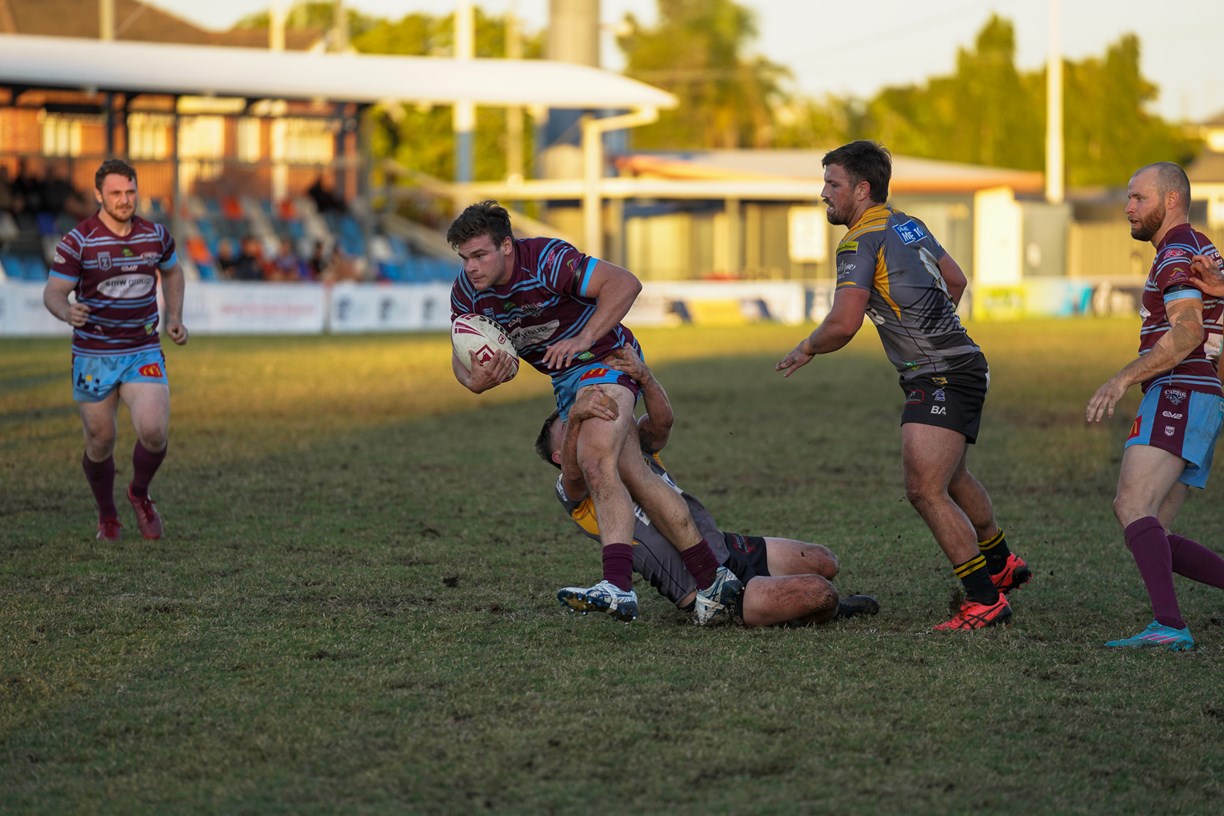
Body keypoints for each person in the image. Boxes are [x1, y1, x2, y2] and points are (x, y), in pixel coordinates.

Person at [774, 140, 1029, 631]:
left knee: (924, 488)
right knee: (951, 477)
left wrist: (807, 346)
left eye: (833, 184)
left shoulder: (858, 241)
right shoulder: (908, 223)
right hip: (963, 362)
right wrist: (932, 330)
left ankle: (984, 600)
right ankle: (1000, 564)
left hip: (941, 375)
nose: (823, 193)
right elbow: (955, 280)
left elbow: (844, 323)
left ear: (862, 190)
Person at [447, 200, 742, 624]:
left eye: (480, 255)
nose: (471, 267)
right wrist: (474, 380)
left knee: (593, 458)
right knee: (635, 474)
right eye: (465, 258)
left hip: (608, 358)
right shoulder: (467, 290)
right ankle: (712, 579)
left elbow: (625, 283)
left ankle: (618, 587)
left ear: (507, 246)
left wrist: (583, 338)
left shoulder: (546, 260)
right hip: (568, 381)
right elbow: (459, 354)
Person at [538, 350, 880, 626]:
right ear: (560, 450)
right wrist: (578, 417)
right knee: (820, 593)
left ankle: (792, 603)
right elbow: (574, 473)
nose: (586, 418)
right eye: (570, 423)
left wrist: (645, 377)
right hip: (699, 590)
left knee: (825, 561)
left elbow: (662, 423)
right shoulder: (575, 491)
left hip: (724, 549)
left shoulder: (634, 449)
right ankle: (820, 612)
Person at [1086, 161, 1224, 651]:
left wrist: (1123, 377)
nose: (1128, 209)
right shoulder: (1203, 248)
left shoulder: (1177, 251)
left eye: (1138, 198)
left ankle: (1169, 624)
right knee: (1154, 531)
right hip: (1202, 395)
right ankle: (1169, 621)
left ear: (1170, 200)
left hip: (1180, 390)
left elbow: (1189, 332)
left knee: (1131, 504)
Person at [42, 159, 188, 541]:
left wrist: (174, 315)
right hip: (94, 354)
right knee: (100, 440)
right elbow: (54, 292)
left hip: (143, 350)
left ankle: (139, 494)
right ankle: (107, 515)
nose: (125, 200)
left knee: (154, 431)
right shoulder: (80, 240)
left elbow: (173, 271)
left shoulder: (155, 235)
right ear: (98, 196)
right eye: (115, 194)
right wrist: (66, 311)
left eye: (130, 192)